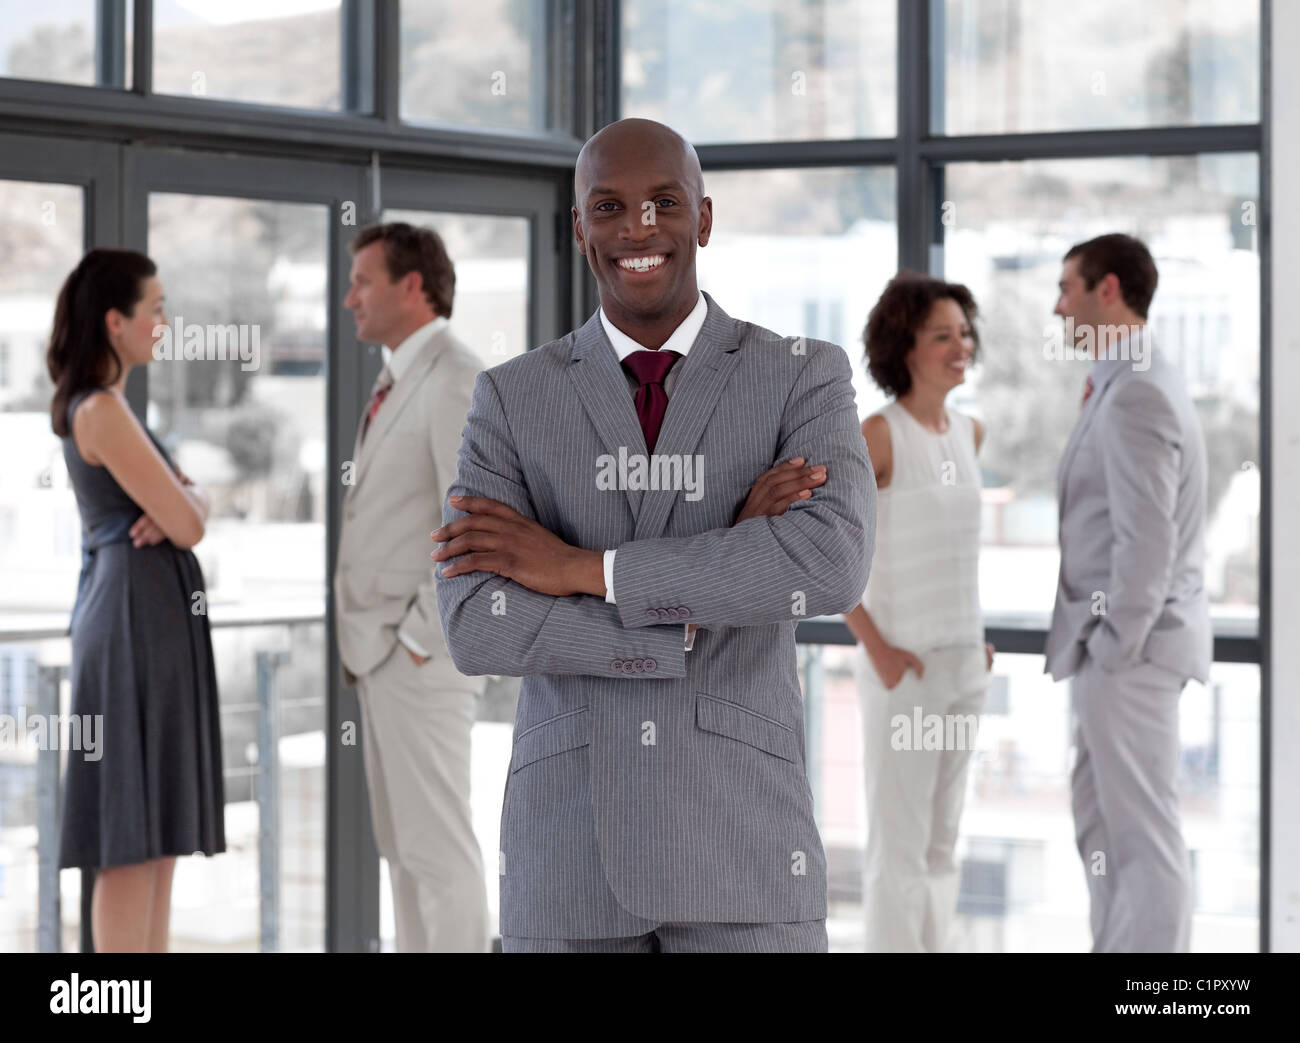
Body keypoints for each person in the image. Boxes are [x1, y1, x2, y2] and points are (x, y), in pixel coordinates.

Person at [432, 117, 875, 953]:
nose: (638, 229)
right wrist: (702, 597)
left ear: (703, 218)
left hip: (743, 851)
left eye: (663, 203)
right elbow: (475, 622)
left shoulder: (801, 374)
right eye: (609, 207)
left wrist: (579, 568)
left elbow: (830, 562)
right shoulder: (511, 397)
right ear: (578, 229)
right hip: (568, 858)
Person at [48, 249, 225, 952]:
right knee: (130, 834)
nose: (164, 321)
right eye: (154, 308)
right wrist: (190, 501)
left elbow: (192, 506)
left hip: (147, 619)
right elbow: (186, 521)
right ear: (115, 322)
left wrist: (192, 498)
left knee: (156, 835)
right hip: (130, 622)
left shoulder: (115, 407)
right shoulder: (101, 410)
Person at [1045, 232, 1211, 952]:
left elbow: (1147, 542)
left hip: (1130, 654)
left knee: (1142, 841)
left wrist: (1116, 647)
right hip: (1114, 651)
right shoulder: (1126, 380)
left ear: (1107, 290)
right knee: (1104, 831)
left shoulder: (1138, 388)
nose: (1058, 308)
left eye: (1066, 288)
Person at [335, 222, 489, 952]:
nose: (349, 298)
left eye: (362, 281)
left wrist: (418, 642)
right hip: (382, 655)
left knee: (438, 855)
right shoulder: (397, 374)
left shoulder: (455, 375)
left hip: (419, 656)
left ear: (413, 286)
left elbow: (476, 523)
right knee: (402, 857)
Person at [846, 272, 993, 952]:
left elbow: (957, 553)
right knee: (899, 852)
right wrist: (875, 647)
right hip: (902, 674)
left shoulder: (972, 431)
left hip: (964, 668)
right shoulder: (878, 435)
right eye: (943, 335)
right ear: (905, 346)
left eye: (964, 332)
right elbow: (825, 552)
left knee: (943, 846)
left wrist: (976, 639)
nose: (960, 345)